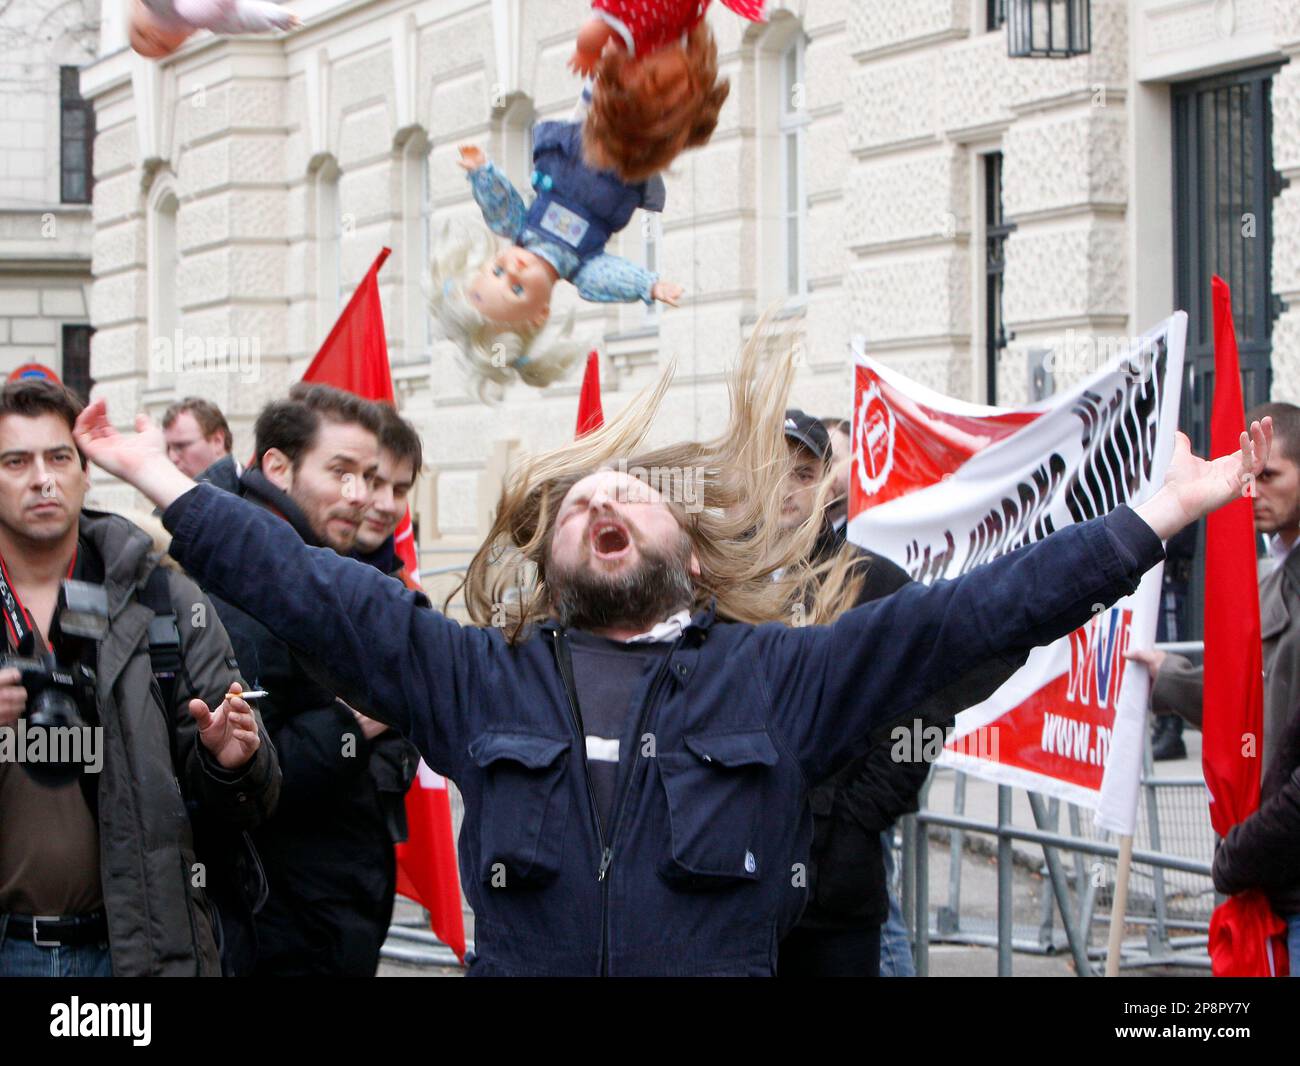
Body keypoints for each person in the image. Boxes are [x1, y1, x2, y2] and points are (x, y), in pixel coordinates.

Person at [72, 336, 1271, 977]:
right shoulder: (476, 677)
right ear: (552, 563)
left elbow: (979, 614)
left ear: (687, 560)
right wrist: (158, 475)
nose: (607, 505)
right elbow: (304, 585)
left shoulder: (778, 678)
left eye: (634, 497)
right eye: (580, 501)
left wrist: (1155, 516)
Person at [0, 379, 279, 977]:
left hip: (133, 950)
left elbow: (251, 796)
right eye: (15, 461)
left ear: (84, 472)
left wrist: (233, 761)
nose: (41, 478)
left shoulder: (162, 595)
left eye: (58, 457)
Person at [194, 382, 403, 976]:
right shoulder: (243, 587)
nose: (361, 496)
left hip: (332, 912)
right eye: (341, 472)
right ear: (277, 467)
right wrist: (355, 723)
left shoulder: (318, 568)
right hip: (280, 929)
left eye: (369, 474)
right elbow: (239, 774)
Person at [1128, 400, 1300, 963]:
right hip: (1276, 873)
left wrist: (1244, 850)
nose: (1252, 488)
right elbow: (1250, 699)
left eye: (1269, 475)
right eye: (1247, 472)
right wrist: (1165, 676)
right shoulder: (1273, 579)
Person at [772, 411, 929, 977]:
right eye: (770, 469)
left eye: (803, 471)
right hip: (727, 889)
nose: (785, 486)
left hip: (835, 898)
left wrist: (860, 816)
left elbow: (926, 716)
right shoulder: (712, 585)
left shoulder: (878, 585)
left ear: (828, 482)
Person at [353, 404, 422, 591]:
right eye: (374, 483)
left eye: (399, 490)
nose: (388, 505)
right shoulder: (295, 577)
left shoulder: (409, 593)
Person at [163, 397, 243, 493]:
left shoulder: (258, 498)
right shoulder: (171, 500)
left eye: (181, 446)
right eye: (167, 448)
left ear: (218, 441)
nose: (172, 458)